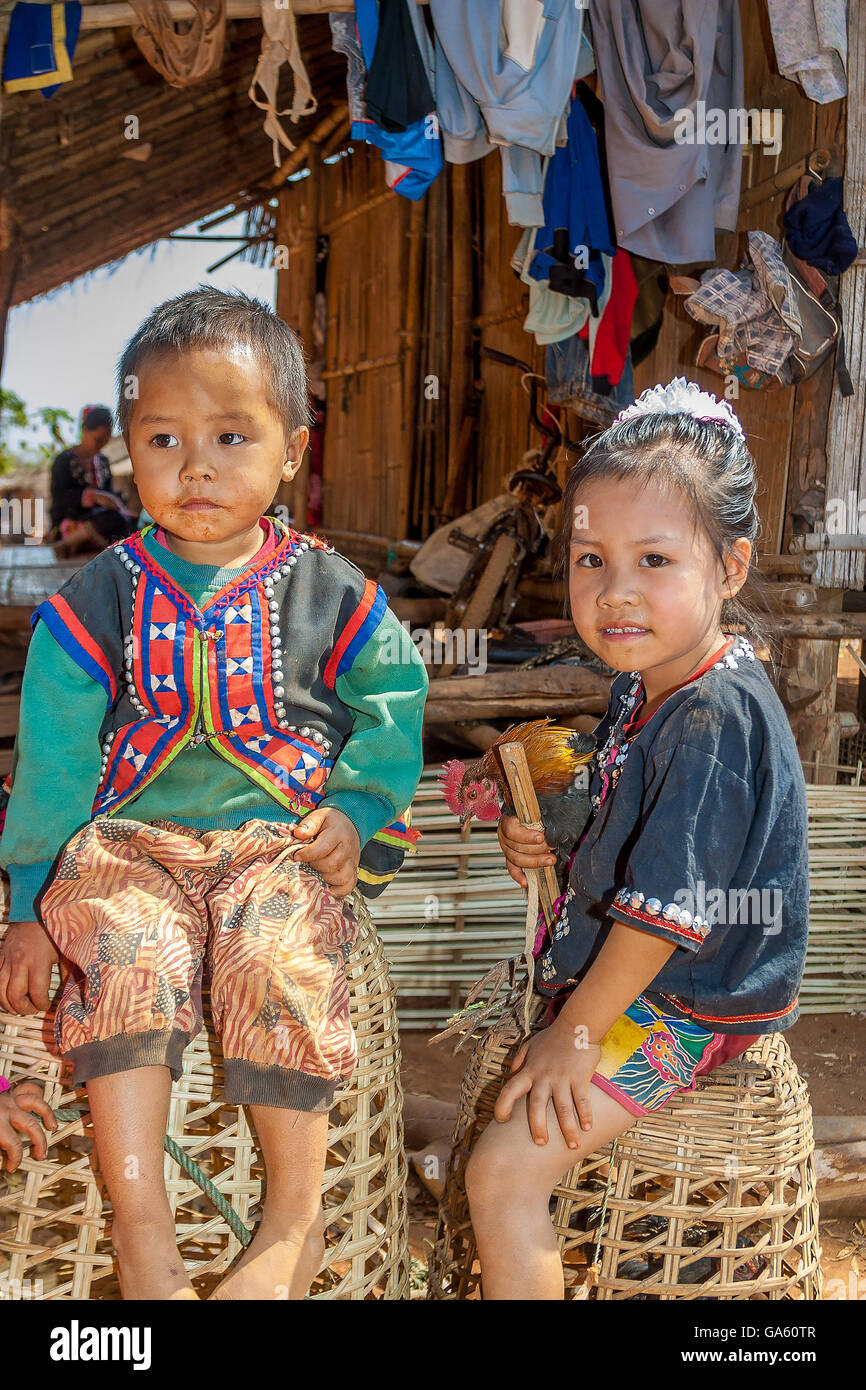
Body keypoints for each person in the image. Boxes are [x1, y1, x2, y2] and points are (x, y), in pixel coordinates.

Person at [0, 286, 428, 1301]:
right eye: (162, 438)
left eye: (232, 435)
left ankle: (291, 1223)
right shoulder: (92, 603)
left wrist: (354, 814)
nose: (194, 466)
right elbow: (55, 767)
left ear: (291, 451)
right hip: (127, 850)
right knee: (125, 952)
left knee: (273, 954)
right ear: (125, 455)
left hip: (275, 845)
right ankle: (141, 1222)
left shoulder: (335, 595)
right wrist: (26, 907)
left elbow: (391, 709)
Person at [465, 378, 809, 1300]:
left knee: (500, 1173)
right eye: (590, 560)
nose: (614, 594)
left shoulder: (713, 717)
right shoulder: (647, 684)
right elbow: (624, 816)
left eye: (655, 560)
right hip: (653, 973)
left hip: (688, 999)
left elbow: (668, 911)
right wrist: (545, 838)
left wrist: (577, 1032)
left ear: (731, 567)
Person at [49, 405, 137, 551]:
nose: (101, 445)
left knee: (130, 523)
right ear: (84, 430)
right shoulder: (63, 460)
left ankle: (80, 543)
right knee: (111, 520)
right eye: (97, 439)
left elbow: (108, 495)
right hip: (70, 523)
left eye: (105, 440)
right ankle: (68, 542)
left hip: (102, 520)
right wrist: (93, 496)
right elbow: (59, 497)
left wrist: (120, 507)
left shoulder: (103, 461)